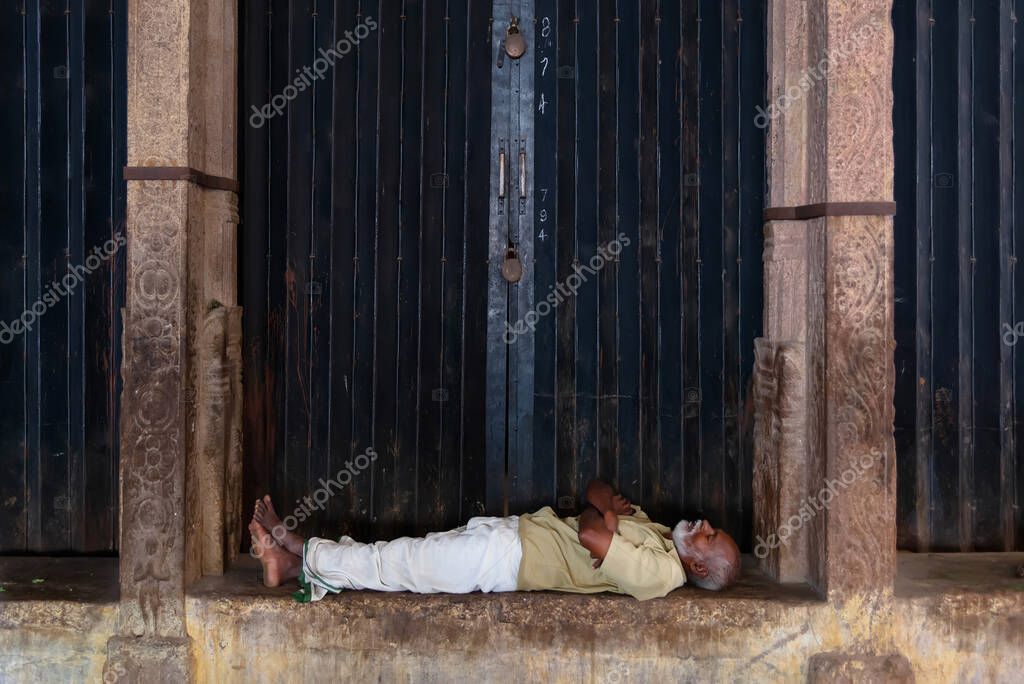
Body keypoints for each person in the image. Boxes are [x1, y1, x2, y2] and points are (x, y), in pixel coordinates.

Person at [248, 479, 741, 602]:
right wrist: (607, 510)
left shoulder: (660, 573)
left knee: (400, 562)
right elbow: (596, 489)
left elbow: (589, 529)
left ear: (699, 567)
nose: (703, 524)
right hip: (508, 535)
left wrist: (603, 518)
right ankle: (290, 566)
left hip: (504, 561)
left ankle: (297, 547)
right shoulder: (659, 534)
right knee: (404, 556)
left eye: (710, 535)